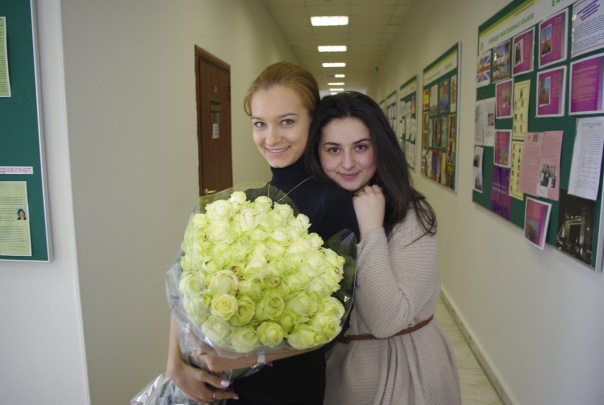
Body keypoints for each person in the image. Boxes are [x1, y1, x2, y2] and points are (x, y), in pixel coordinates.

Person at [166, 61, 359, 405]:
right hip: (220, 383)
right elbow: (189, 278)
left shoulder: (333, 201)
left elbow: (336, 320)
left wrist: (244, 358)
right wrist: (175, 363)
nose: (271, 138)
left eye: (287, 121)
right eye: (260, 124)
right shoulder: (251, 199)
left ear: (314, 121)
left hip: (287, 388)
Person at [306, 91, 461, 405]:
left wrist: (372, 229)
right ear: (316, 153)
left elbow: (386, 321)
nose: (348, 163)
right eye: (333, 149)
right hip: (338, 370)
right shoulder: (317, 210)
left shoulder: (411, 214)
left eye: (361, 147)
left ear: (380, 147)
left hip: (404, 369)